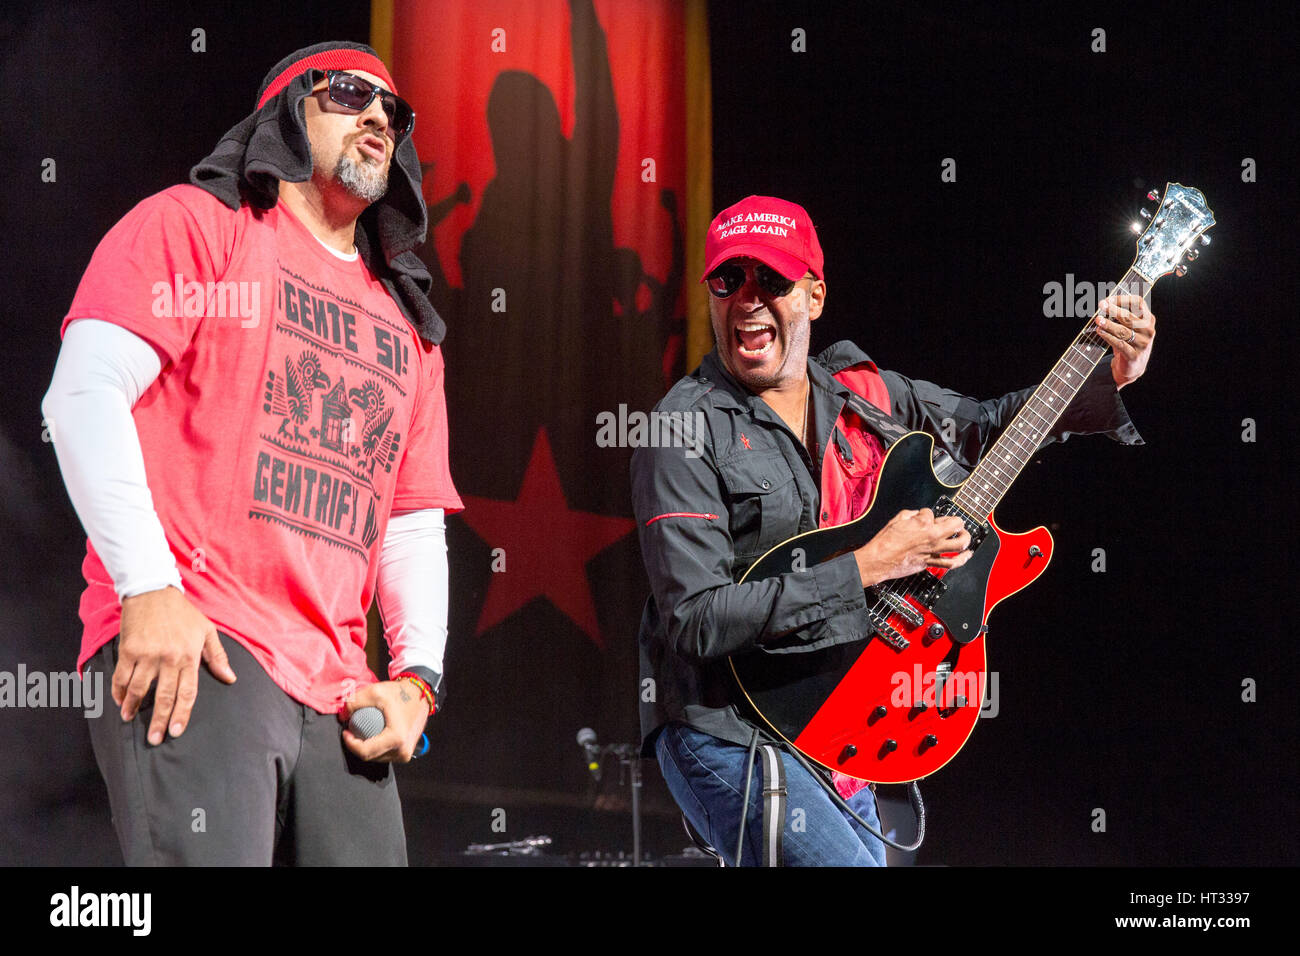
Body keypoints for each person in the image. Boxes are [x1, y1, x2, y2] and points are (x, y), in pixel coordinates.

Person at [631, 195, 1154, 866]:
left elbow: (992, 423)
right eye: (729, 280)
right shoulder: (680, 430)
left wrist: (1109, 372)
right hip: (728, 729)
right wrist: (869, 565)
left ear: (815, 295)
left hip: (839, 718)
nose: (749, 298)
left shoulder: (869, 396)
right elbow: (696, 620)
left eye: (773, 280)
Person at [40, 42, 462, 865]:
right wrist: (149, 585)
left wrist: (419, 681)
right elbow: (81, 396)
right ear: (287, 113)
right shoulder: (197, 227)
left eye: (395, 111)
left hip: (340, 689)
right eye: (349, 94)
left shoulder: (411, 330)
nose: (379, 117)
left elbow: (411, 522)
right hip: (203, 639)